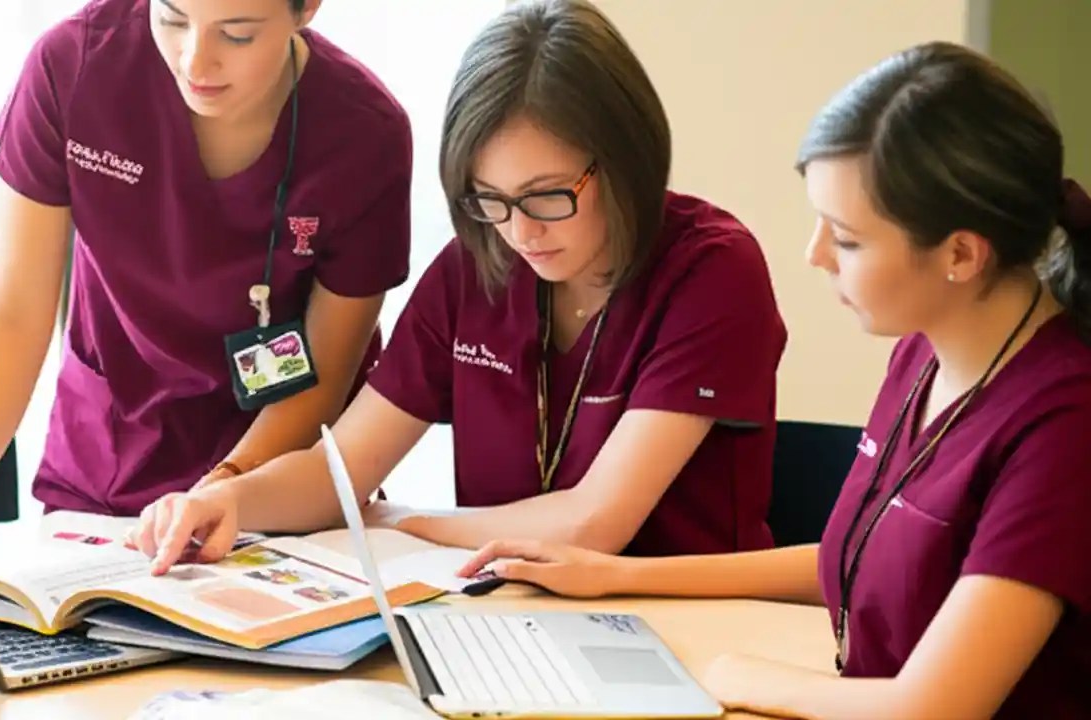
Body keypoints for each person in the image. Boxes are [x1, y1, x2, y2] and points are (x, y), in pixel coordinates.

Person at [458, 41, 1091, 719]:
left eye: (846, 238)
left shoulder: (1064, 425)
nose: (814, 254)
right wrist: (618, 575)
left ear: (961, 254)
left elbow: (934, 708)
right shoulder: (924, 354)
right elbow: (859, 553)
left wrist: (737, 677)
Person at [128, 0, 786, 572]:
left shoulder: (713, 271)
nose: (520, 232)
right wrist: (229, 499)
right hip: (508, 614)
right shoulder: (476, 266)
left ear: (626, 160)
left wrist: (399, 523)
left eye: (547, 196)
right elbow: (341, 472)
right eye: (489, 200)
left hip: (686, 625)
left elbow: (595, 525)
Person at [0, 0, 413, 542]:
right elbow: (14, 313)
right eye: (173, 19)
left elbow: (324, 373)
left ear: (307, 10)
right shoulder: (77, 65)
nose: (194, 62)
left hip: (278, 494)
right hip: (103, 471)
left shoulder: (365, 134)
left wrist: (219, 494)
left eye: (237, 35)